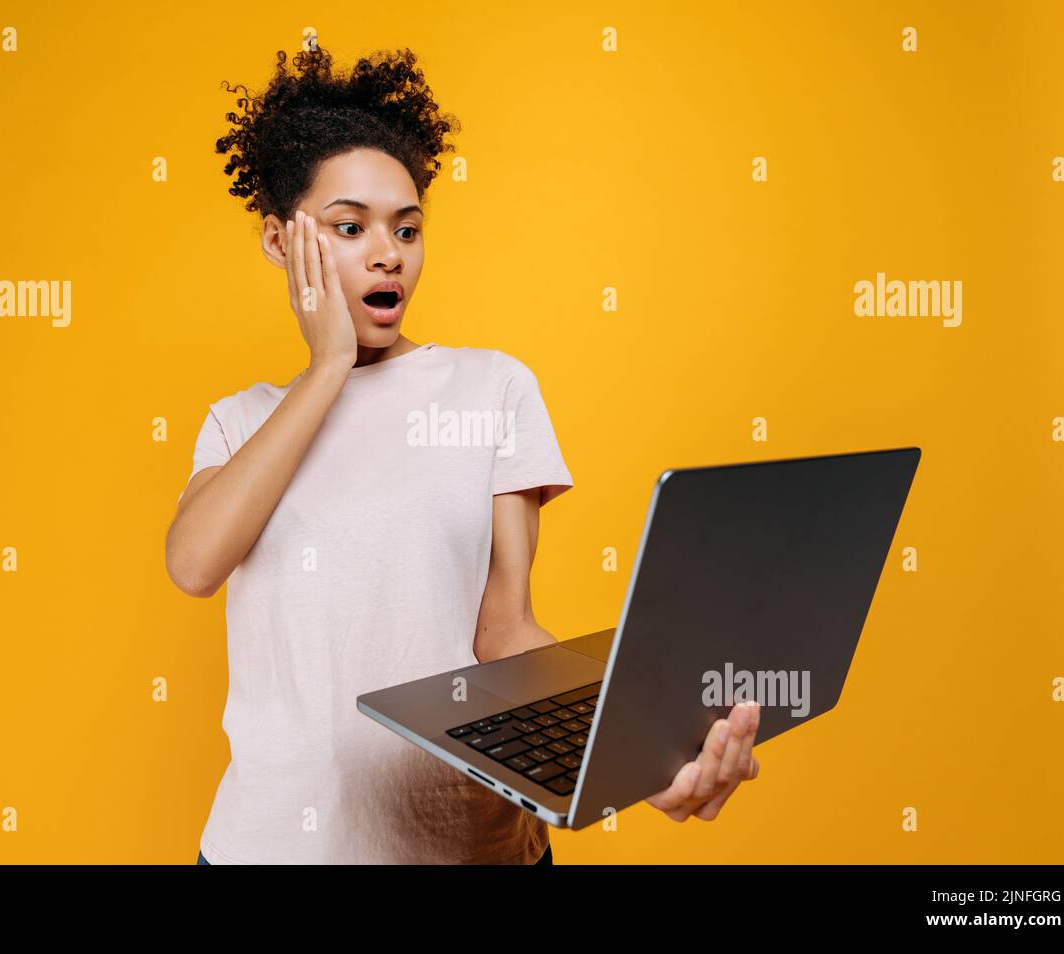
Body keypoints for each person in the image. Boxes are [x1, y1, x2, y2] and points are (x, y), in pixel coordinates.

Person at [167, 44, 761, 865]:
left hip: (468, 848)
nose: (389, 254)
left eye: (407, 229)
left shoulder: (493, 390)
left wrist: (643, 748)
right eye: (349, 227)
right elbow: (194, 563)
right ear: (279, 240)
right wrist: (328, 366)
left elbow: (502, 631)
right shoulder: (243, 422)